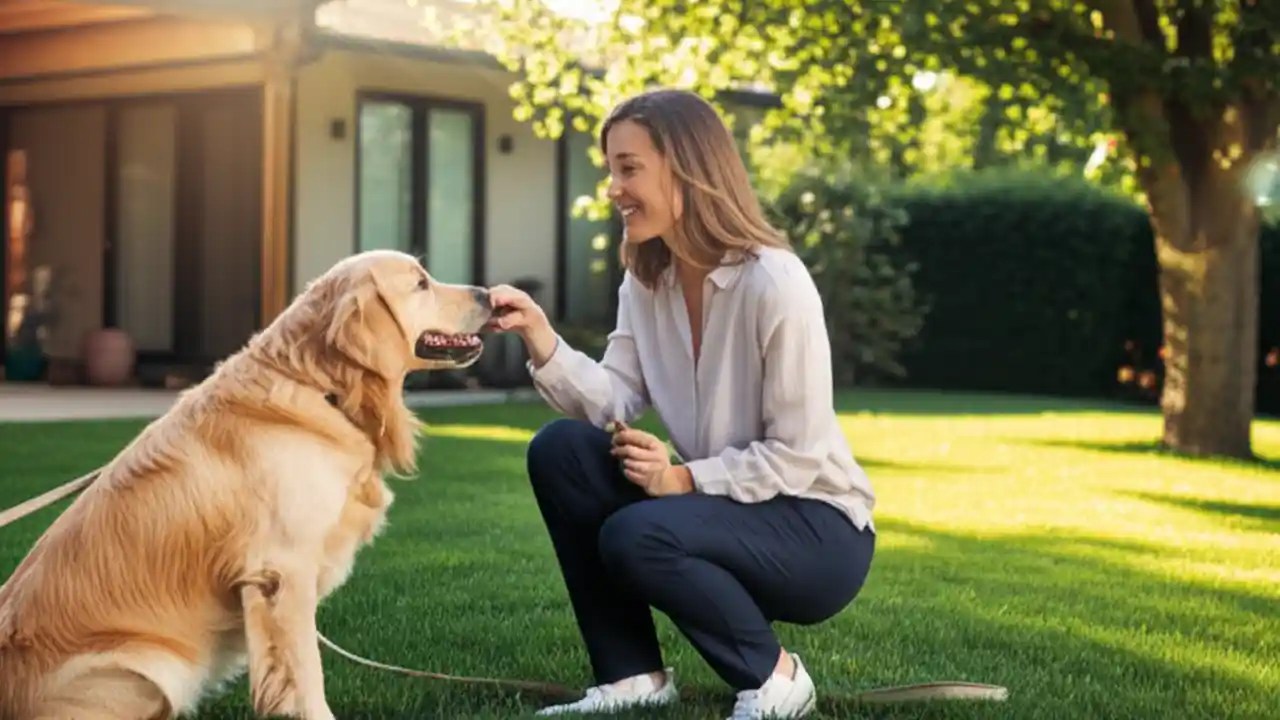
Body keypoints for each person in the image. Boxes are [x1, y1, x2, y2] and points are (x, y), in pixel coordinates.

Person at [486, 88, 876, 719]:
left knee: (637, 534)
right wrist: (540, 335)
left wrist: (682, 477)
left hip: (817, 530)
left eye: (629, 168)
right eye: (611, 169)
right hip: (716, 507)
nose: (613, 187)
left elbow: (799, 455)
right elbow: (614, 397)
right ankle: (631, 678)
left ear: (686, 168)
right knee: (562, 451)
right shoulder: (648, 281)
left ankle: (775, 679)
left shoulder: (774, 283)